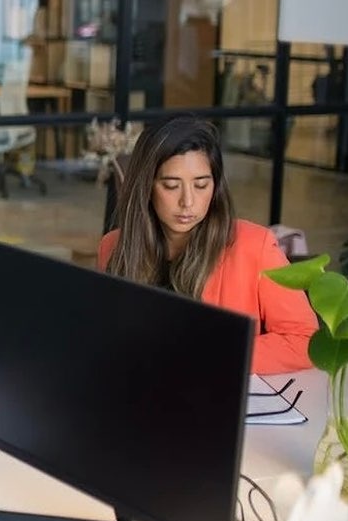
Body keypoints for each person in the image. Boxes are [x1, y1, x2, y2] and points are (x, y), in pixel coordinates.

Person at [98, 115, 316, 374]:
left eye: (201, 185)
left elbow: (305, 340)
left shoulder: (254, 246)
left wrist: (213, 356)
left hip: (215, 393)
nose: (188, 202)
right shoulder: (113, 246)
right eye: (171, 186)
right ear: (146, 187)